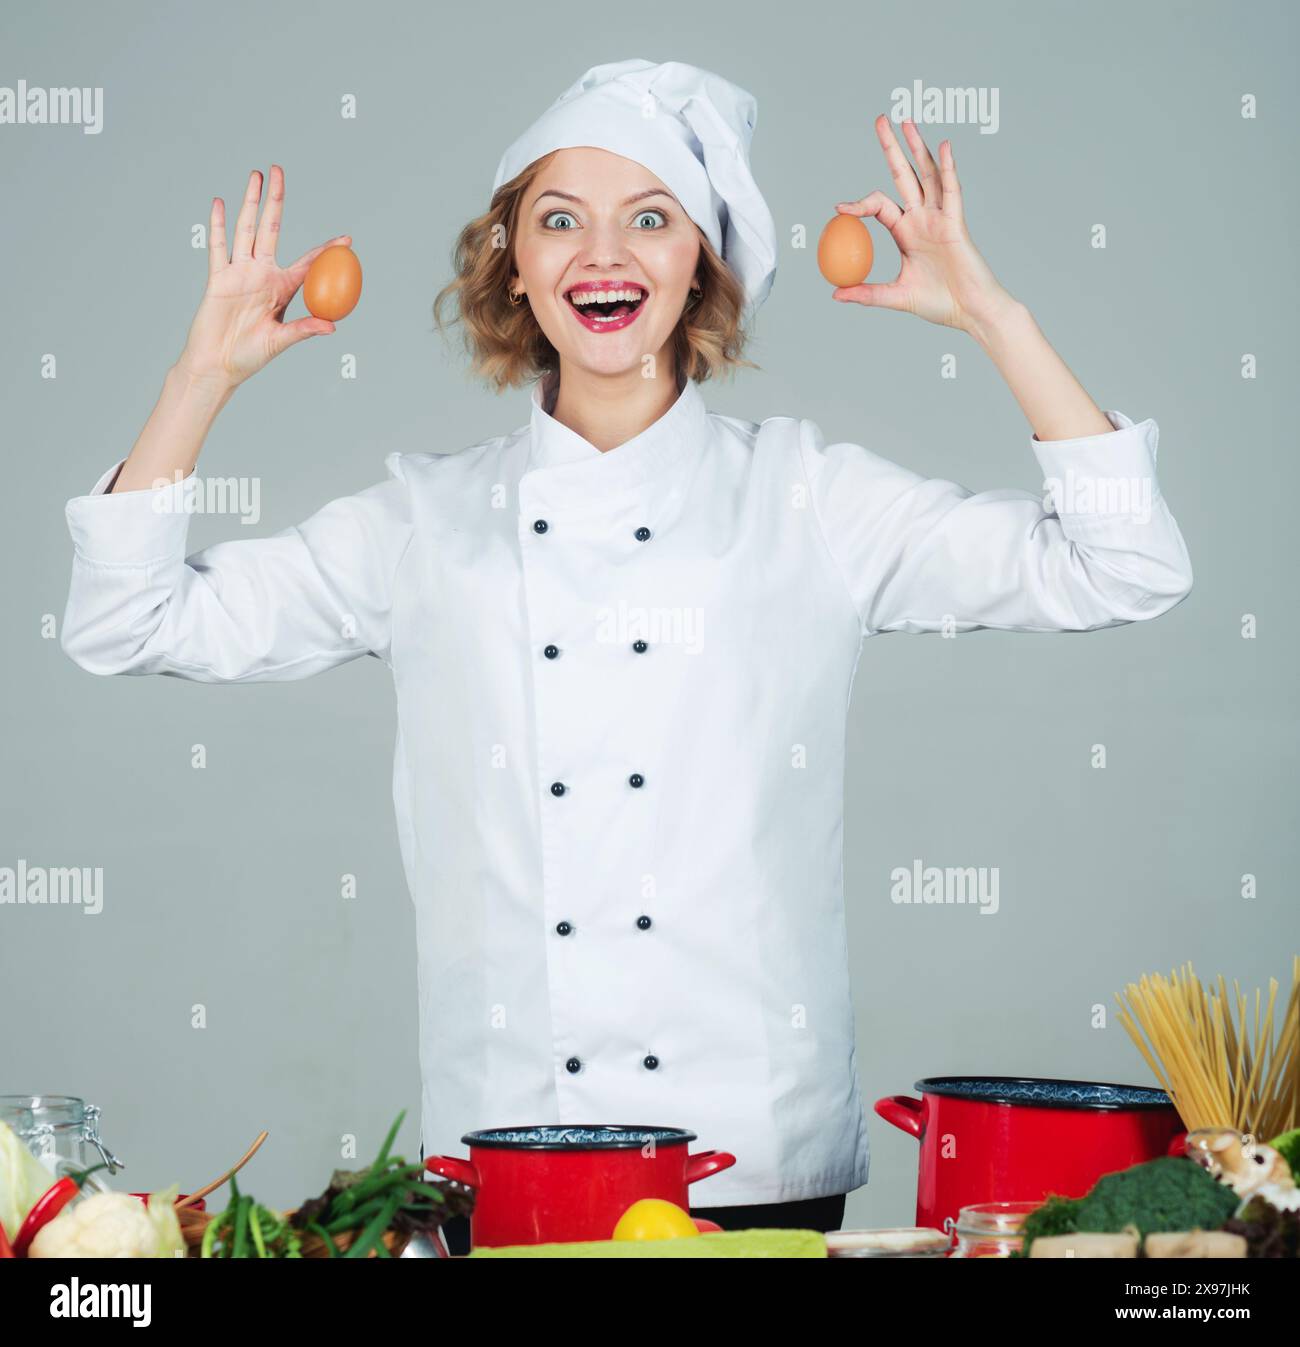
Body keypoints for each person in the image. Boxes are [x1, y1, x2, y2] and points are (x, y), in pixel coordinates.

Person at [59, 59, 1192, 1254]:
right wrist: (201, 380)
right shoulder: (421, 524)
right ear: (511, 262)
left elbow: (1121, 567)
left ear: (698, 261)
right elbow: (125, 622)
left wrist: (993, 320)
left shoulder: (809, 497)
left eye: (649, 219)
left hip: (750, 1154)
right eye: (560, 220)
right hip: (504, 1153)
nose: (604, 253)